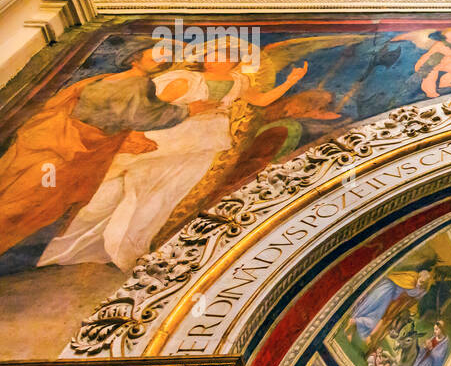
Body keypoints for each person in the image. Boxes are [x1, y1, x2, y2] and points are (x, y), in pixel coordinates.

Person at [38, 40, 309, 270]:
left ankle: (126, 251)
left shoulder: (239, 81)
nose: (212, 60)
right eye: (210, 55)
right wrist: (130, 136)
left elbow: (260, 101)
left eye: (221, 56)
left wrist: (290, 82)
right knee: (120, 185)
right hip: (166, 136)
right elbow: (148, 110)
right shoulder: (185, 79)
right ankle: (76, 244)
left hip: (205, 142)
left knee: (165, 195)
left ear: (233, 61)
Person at [0, 45, 193, 260]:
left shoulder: (105, 79)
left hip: (55, 138)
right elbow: (143, 116)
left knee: (18, 192)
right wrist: (188, 110)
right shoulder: (136, 84)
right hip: (70, 146)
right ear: (134, 59)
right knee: (29, 200)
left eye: (165, 58)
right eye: (157, 56)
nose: (162, 60)